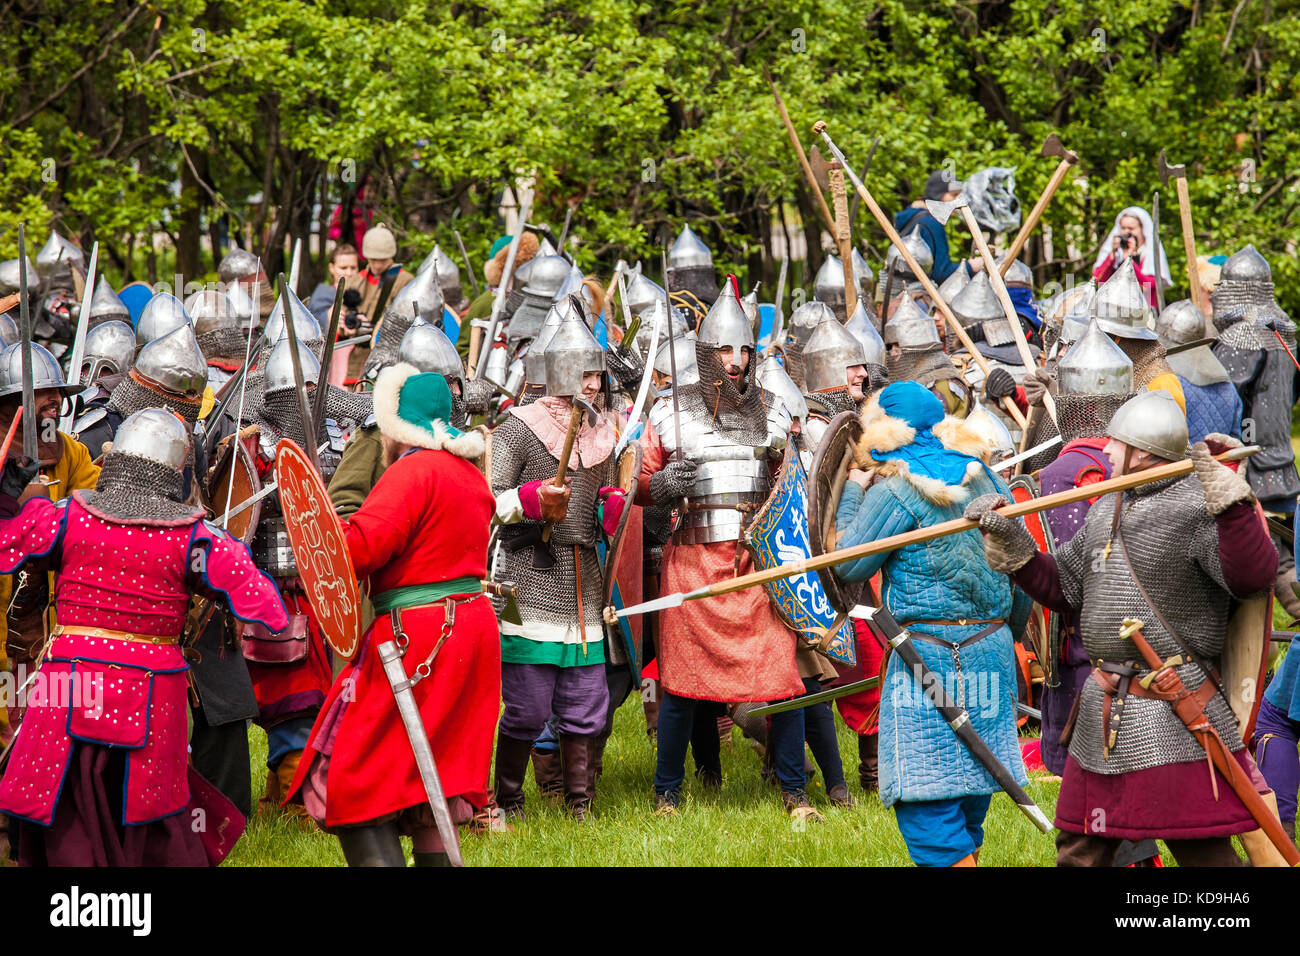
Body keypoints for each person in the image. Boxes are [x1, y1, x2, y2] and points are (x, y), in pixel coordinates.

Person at [969, 390, 1279, 866]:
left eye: (1116, 444)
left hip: (1172, 705)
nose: (1106, 452)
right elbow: (1064, 587)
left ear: (1141, 452)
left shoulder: (1197, 507)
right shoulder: (1105, 508)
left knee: (1200, 847)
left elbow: (1252, 580)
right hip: (1103, 705)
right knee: (1080, 844)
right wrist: (1013, 545)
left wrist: (1234, 508)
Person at [0, 408, 286, 866]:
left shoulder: (67, 518)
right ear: (175, 473)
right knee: (149, 822)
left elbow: (9, 541)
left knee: (63, 806)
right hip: (152, 689)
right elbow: (263, 606)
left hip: (69, 681)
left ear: (114, 463)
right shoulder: (194, 539)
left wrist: (11, 500)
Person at [285, 368, 498, 866]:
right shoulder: (469, 473)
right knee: (432, 778)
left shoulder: (412, 471)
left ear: (396, 425)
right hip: (466, 629)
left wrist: (325, 523)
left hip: (418, 636)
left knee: (351, 770)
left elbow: (359, 549)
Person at [634, 280, 813, 820]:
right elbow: (636, 486)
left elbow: (793, 492)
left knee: (782, 681)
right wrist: (665, 485)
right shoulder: (669, 414)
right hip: (691, 563)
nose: (735, 361)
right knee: (682, 685)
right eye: (724, 350)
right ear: (704, 353)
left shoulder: (778, 411)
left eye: (743, 351)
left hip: (757, 566)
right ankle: (668, 794)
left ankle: (794, 793)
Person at [831, 381, 1031, 866]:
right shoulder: (987, 478)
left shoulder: (898, 491)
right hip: (992, 651)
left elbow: (846, 563)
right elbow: (1021, 573)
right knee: (968, 806)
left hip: (928, 663)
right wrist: (1012, 637)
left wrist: (854, 490)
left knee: (929, 809)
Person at [489, 311, 624, 821]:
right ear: (557, 370)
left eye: (597, 373)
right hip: (528, 577)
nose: (593, 383)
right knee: (526, 708)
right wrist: (530, 499)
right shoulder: (517, 429)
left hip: (583, 582)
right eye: (582, 372)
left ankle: (578, 802)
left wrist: (610, 504)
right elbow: (490, 499)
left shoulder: (600, 431)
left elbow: (602, 493)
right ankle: (510, 798)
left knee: (586, 708)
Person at [893, 170, 984, 283]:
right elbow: (941, 273)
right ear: (938, 194)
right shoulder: (931, 223)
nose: (958, 200)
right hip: (915, 295)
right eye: (954, 195)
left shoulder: (913, 215)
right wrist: (971, 266)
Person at [1090, 207, 1171, 310]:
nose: (1126, 232)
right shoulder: (1115, 255)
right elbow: (1097, 280)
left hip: (1144, 313)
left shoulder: (1149, 254)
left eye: (1131, 228)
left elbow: (1148, 286)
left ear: (1142, 229)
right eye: (1123, 228)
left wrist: (1129, 261)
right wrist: (1112, 255)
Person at [308, 243, 360, 325]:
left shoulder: (363, 292)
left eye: (353, 268)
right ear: (331, 268)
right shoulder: (323, 294)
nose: (349, 273)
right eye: (343, 268)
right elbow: (319, 327)